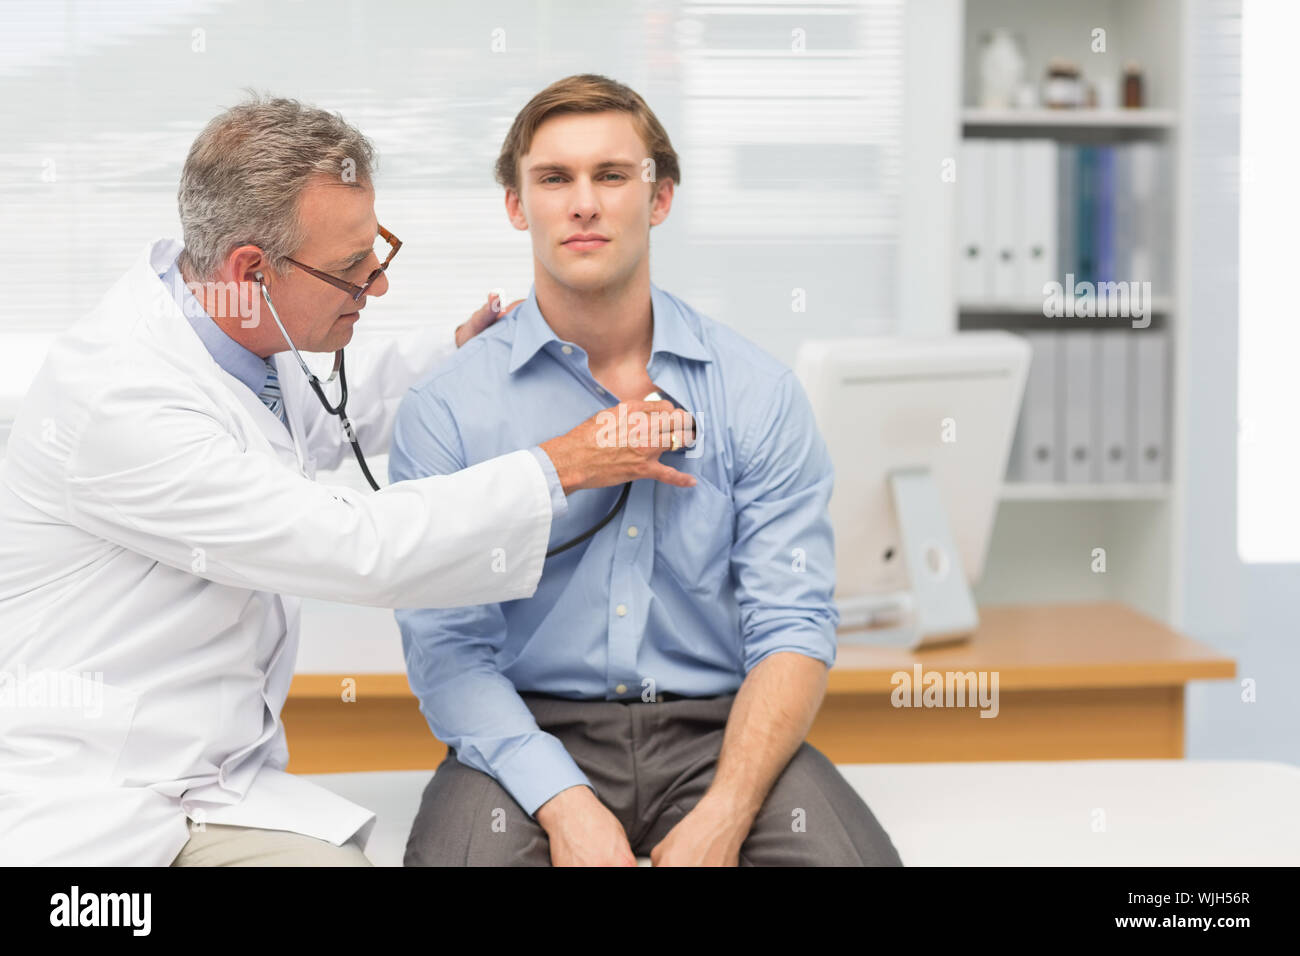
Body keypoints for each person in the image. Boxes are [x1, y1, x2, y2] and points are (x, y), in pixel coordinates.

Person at [0, 94, 692, 866]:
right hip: (96, 801)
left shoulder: (233, 331)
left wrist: (458, 355)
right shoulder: (122, 400)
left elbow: (336, 408)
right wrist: (564, 464)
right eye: (350, 268)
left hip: (207, 780)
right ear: (249, 270)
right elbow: (357, 546)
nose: (378, 284)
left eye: (376, 249)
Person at [391, 74, 903, 866]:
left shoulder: (757, 393)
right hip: (526, 732)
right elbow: (449, 652)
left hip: (719, 736)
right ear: (516, 206)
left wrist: (727, 814)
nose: (583, 203)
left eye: (612, 175)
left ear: (659, 199)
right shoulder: (448, 409)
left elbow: (792, 626)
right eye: (554, 178)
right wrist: (566, 808)